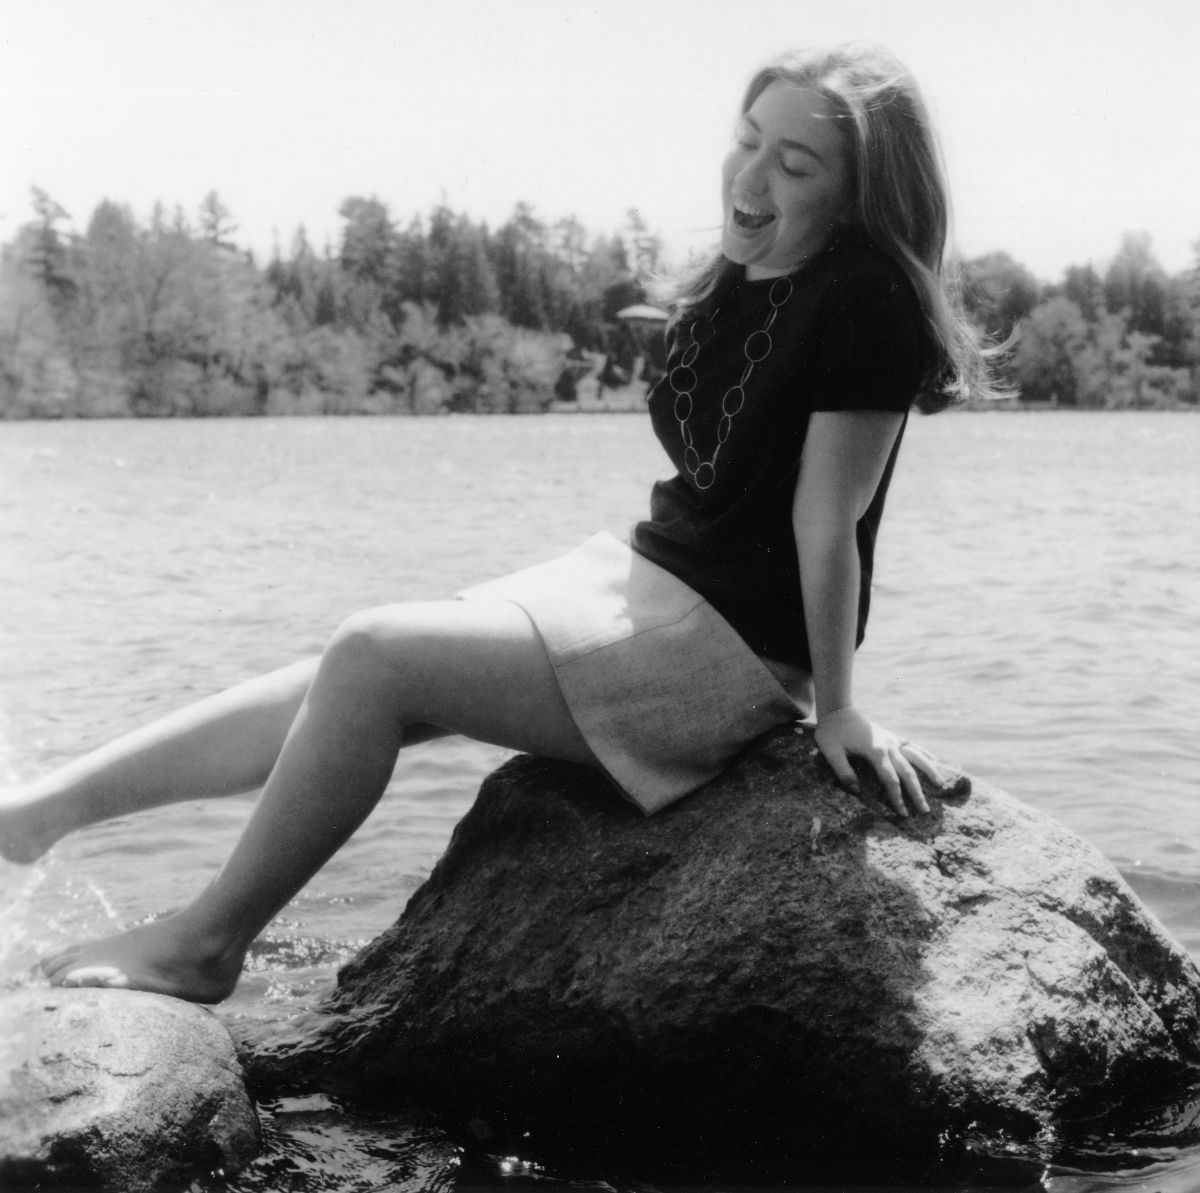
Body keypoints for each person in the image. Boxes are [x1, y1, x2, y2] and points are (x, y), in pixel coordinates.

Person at [1, 44, 998, 1004]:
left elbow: (828, 523)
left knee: (374, 654)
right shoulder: (754, 268)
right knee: (345, 677)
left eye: (795, 161)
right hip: (650, 582)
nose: (752, 173)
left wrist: (835, 709)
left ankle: (205, 943)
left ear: (859, 195)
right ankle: (40, 814)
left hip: (726, 653)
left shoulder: (864, 296)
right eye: (747, 138)